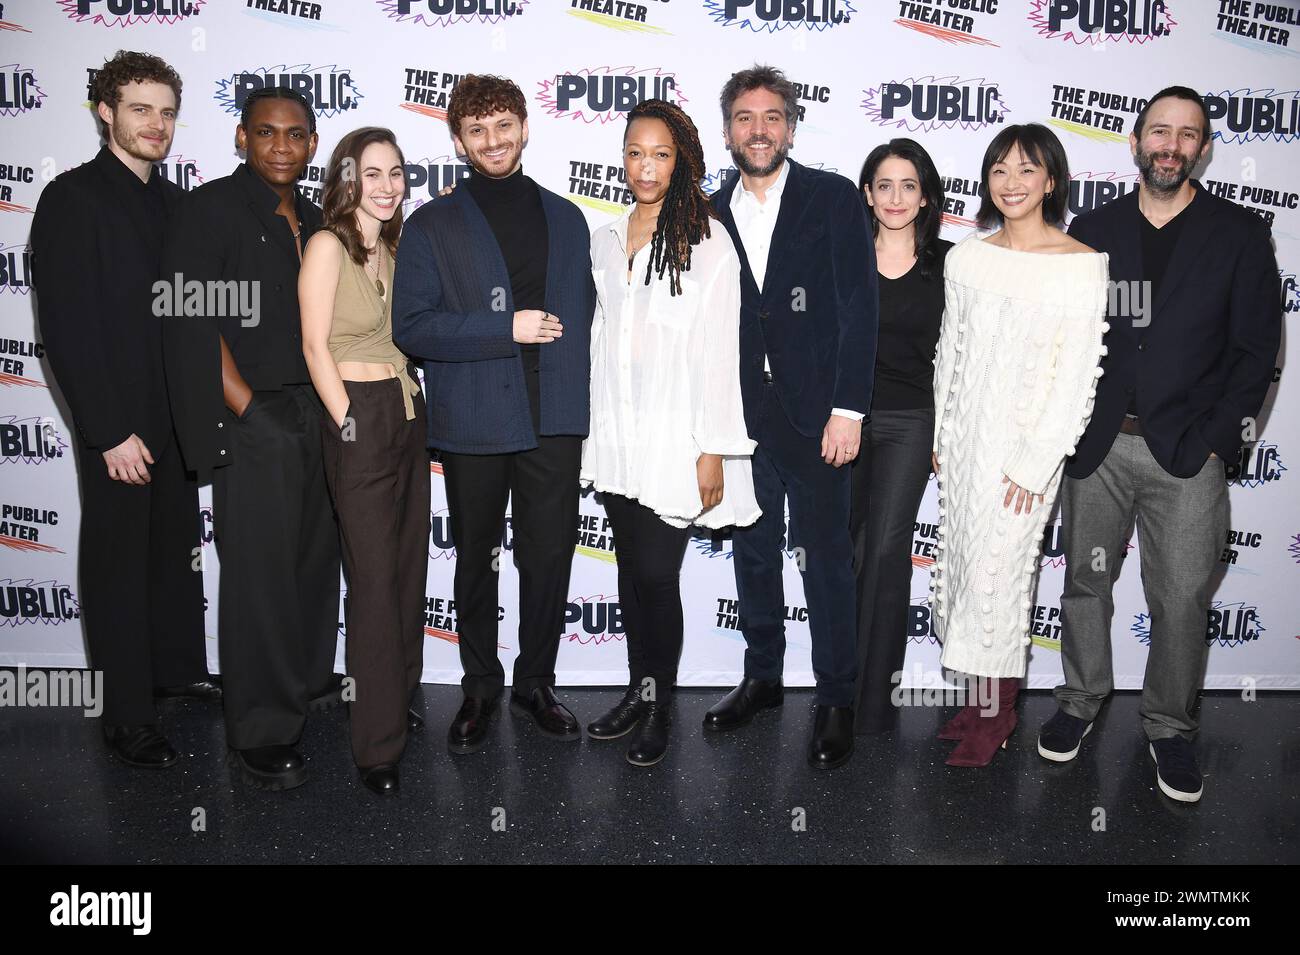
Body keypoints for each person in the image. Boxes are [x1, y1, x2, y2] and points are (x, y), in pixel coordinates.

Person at [1039, 87, 1281, 803]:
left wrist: (1216, 441)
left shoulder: (1239, 232)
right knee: (1085, 583)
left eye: (1187, 135)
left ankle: (1170, 726)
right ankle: (1080, 701)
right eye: (1159, 132)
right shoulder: (1094, 225)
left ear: (1202, 148)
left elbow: (1257, 349)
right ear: (1136, 141)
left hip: (1188, 452)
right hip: (1100, 446)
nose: (1171, 145)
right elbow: (1067, 332)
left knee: (1179, 598)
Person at [392, 74, 595, 756]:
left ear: (525, 126)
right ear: (457, 139)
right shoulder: (431, 224)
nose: (493, 140)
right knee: (474, 558)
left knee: (547, 557)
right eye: (477, 130)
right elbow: (413, 327)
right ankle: (480, 684)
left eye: (503, 125)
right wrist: (504, 328)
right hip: (475, 416)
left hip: (554, 419)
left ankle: (536, 681)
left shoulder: (566, 217)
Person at [30, 50, 215, 770]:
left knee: (174, 555)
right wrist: (106, 431)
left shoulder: (174, 202)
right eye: (140, 109)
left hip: (175, 418)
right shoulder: (73, 198)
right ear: (105, 111)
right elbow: (65, 329)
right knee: (116, 564)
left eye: (166, 111)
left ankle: (171, 671)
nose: (156, 124)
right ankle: (123, 712)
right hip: (118, 424)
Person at [161, 87, 342, 791]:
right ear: (241, 138)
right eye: (266, 133)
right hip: (255, 414)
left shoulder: (320, 216)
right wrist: (245, 408)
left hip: (320, 410)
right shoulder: (208, 209)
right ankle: (261, 730)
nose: (280, 147)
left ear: (312, 143)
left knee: (311, 565)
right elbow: (188, 315)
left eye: (295, 135)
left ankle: (301, 686)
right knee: (260, 577)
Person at [703, 65, 876, 770]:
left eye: (772, 116)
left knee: (827, 559)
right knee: (751, 552)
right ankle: (764, 678)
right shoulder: (709, 213)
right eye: (745, 118)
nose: (759, 130)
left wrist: (848, 408)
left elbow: (860, 306)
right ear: (727, 132)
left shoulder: (832, 198)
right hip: (742, 416)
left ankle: (837, 697)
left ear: (792, 127)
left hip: (817, 417)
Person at [583, 100, 760, 767]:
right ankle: (638, 689)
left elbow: (719, 354)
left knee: (658, 575)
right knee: (632, 575)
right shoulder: (605, 237)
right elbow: (604, 339)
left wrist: (712, 449)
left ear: (682, 158)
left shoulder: (708, 241)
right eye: (635, 152)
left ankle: (660, 708)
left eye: (660, 152)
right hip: (618, 437)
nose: (645, 165)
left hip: (678, 440)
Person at [931, 123, 1109, 767]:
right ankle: (978, 701)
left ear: (1051, 181)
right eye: (999, 170)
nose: (1011, 183)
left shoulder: (1081, 266)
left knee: (1002, 574)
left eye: (1027, 170)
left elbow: (1078, 379)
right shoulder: (967, 256)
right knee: (964, 568)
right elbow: (950, 351)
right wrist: (941, 433)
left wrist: (1037, 461)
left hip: (1025, 455)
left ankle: (998, 714)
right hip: (965, 442)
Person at [299, 128, 429, 797]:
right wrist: (346, 417)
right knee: (375, 581)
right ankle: (376, 744)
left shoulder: (397, 246)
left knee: (408, 569)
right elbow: (315, 346)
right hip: (359, 415)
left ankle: (399, 697)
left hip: (408, 409)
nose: (386, 186)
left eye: (396, 173)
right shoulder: (326, 244)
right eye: (372, 173)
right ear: (347, 178)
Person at [851, 139, 951, 735]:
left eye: (908, 185)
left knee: (888, 551)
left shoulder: (948, 263)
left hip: (912, 421)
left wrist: (949, 429)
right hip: (844, 421)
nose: (895, 197)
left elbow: (962, 353)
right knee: (847, 550)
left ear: (925, 196)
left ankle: (873, 701)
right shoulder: (845, 257)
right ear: (867, 193)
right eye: (884, 185)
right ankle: (843, 683)